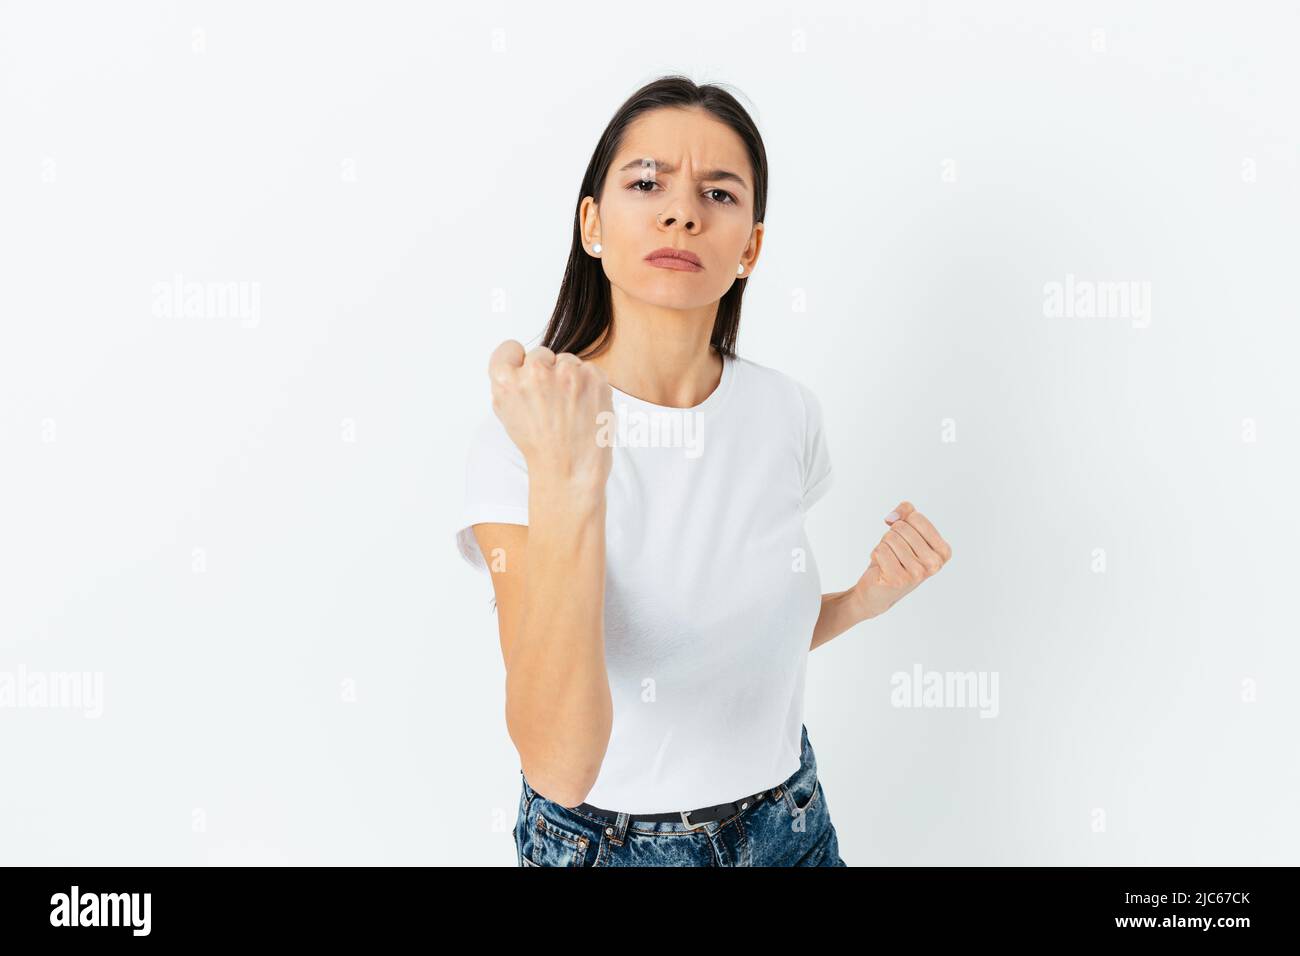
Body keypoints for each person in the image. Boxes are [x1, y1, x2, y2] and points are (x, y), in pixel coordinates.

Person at [455, 75, 952, 866]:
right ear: (593, 224)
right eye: (646, 182)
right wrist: (568, 477)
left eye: (718, 194)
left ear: (750, 245)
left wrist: (860, 603)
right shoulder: (529, 433)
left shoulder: (787, 414)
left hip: (791, 823)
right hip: (610, 847)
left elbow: (728, 640)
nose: (681, 210)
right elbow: (558, 763)